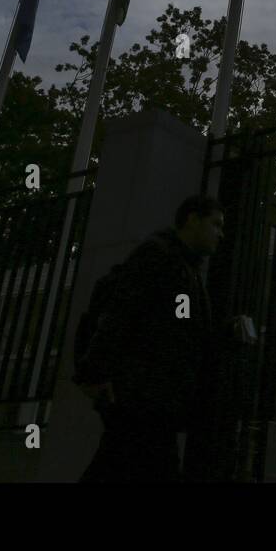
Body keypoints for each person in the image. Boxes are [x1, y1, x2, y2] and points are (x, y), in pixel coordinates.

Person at [75, 194, 243, 482]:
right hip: (144, 397)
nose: (221, 233)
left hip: (154, 399)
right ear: (192, 219)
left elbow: (186, 332)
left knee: (115, 466)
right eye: (216, 224)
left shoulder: (185, 268)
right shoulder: (160, 257)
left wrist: (225, 333)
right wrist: (93, 373)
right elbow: (121, 314)